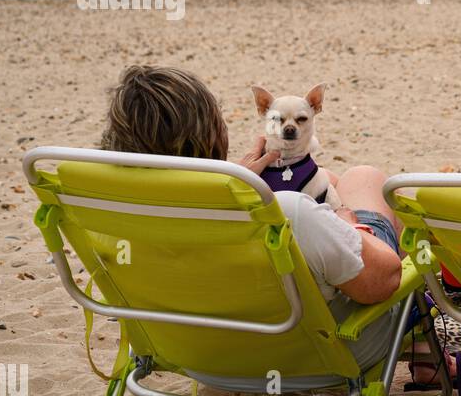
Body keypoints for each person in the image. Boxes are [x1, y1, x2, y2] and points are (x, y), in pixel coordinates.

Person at [99, 65, 405, 371]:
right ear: (213, 133)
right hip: (317, 356)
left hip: (195, 355)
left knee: (328, 178)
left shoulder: (106, 214)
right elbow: (386, 280)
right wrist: (349, 226)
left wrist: (235, 185)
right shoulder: (285, 212)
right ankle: (420, 342)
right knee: (365, 178)